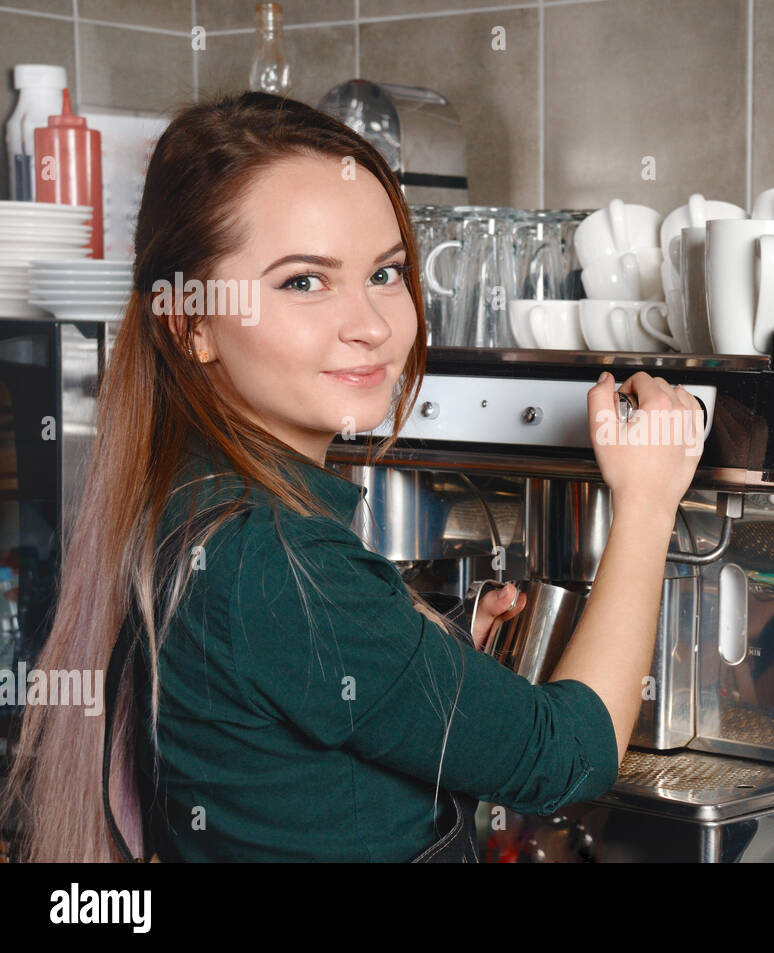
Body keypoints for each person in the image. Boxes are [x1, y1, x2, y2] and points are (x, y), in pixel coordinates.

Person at [0, 92, 701, 862]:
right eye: (304, 281)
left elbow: (284, 707)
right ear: (191, 323)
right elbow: (569, 757)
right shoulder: (273, 562)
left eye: (386, 272)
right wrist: (647, 499)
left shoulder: (196, 494)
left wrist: (423, 654)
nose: (370, 323)